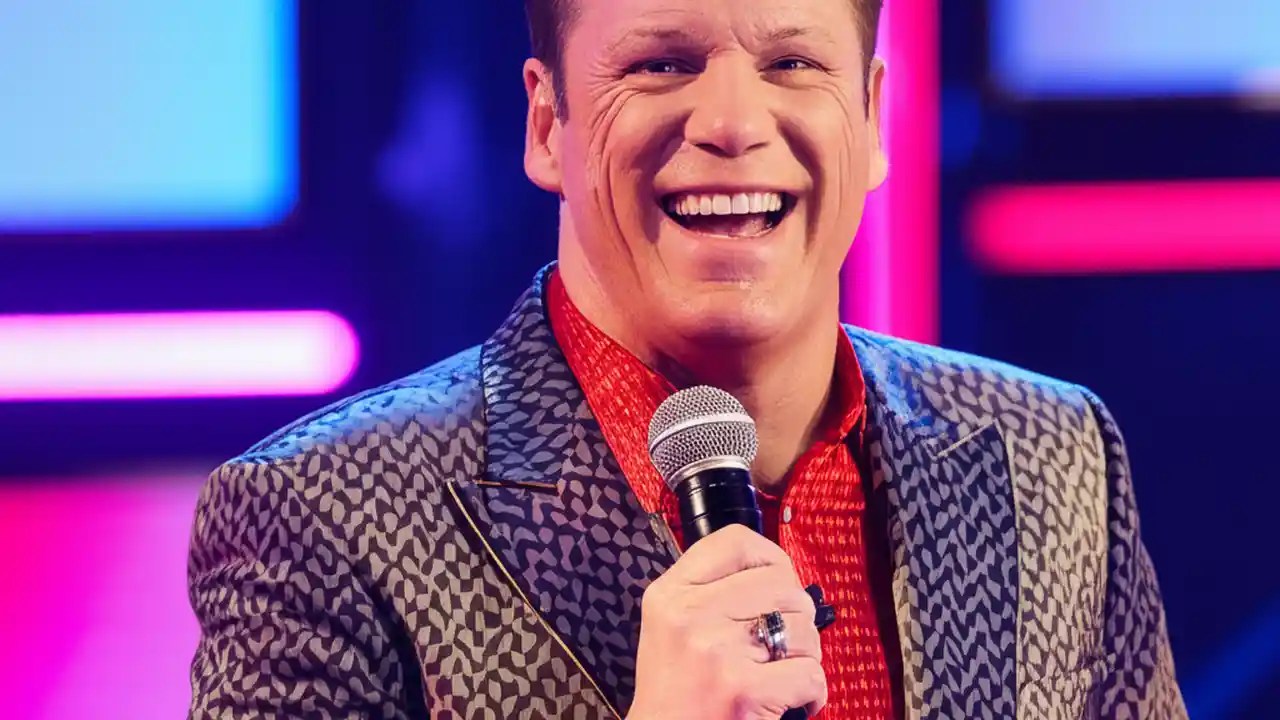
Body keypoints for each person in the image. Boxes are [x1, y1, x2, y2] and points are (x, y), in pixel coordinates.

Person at [188, 0, 1187, 717]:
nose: (731, 123)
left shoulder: (1050, 456)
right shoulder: (321, 513)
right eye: (661, 62)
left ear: (875, 117)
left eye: (791, 62)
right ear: (548, 124)